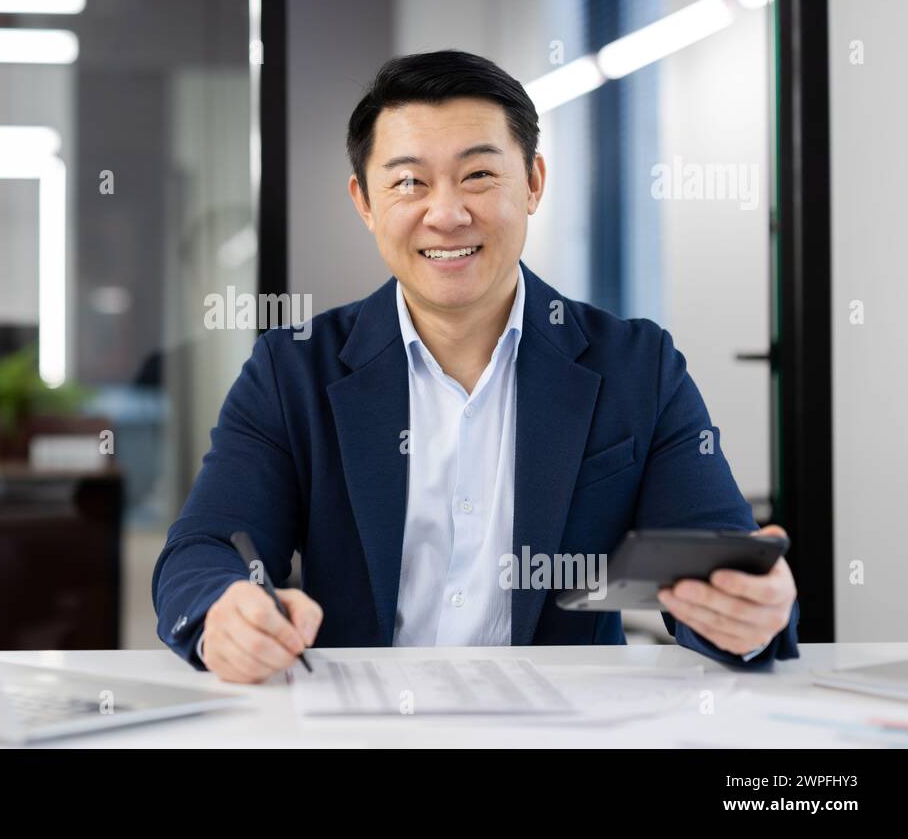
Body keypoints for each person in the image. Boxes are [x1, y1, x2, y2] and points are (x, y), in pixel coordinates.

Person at [153, 50, 799, 683]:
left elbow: (727, 574)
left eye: (479, 176)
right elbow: (201, 551)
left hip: (563, 734)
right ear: (365, 203)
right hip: (355, 732)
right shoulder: (291, 370)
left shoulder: (638, 368)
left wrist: (754, 613)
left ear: (534, 182)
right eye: (409, 181)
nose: (446, 213)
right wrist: (224, 612)